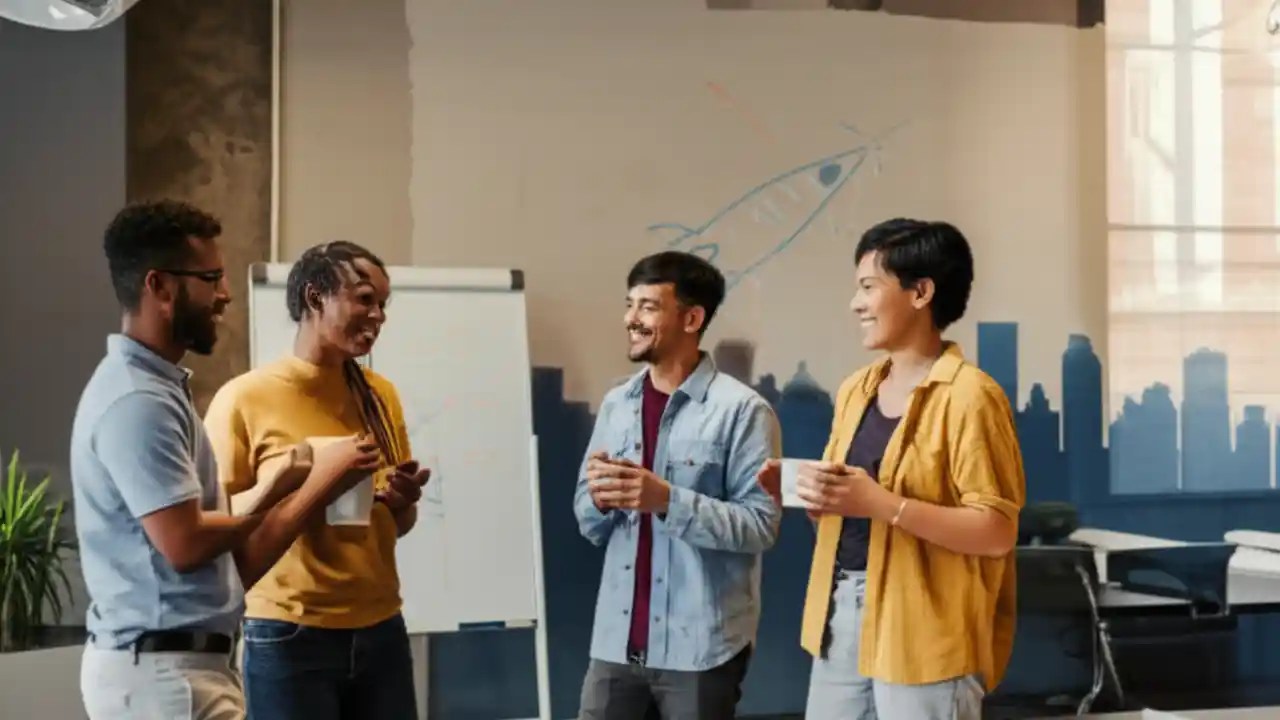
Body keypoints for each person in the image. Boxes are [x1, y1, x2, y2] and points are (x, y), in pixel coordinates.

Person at [70, 199, 310, 719]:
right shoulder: (137, 402)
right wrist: (272, 487)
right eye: (211, 278)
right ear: (159, 286)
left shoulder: (159, 388)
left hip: (181, 670)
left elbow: (210, 549)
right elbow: (184, 543)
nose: (224, 295)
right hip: (163, 679)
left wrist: (302, 493)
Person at [794, 218, 1026, 720]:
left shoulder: (971, 396)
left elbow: (996, 531)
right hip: (842, 615)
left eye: (868, 287)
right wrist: (809, 496)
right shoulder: (856, 388)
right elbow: (842, 514)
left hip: (927, 627)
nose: (855, 304)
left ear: (921, 292)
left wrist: (883, 504)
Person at [203, 240, 430, 720]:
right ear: (314, 297)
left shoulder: (378, 394)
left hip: (381, 627)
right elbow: (219, 524)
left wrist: (401, 502)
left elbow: (397, 524)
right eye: (365, 299)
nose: (378, 316)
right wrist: (311, 481)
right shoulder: (244, 399)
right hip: (288, 634)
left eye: (383, 305)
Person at [573, 251, 783, 720]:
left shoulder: (742, 411)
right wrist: (599, 501)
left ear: (692, 318)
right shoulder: (616, 405)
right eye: (630, 305)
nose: (631, 319)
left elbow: (761, 526)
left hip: (701, 649)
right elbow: (587, 520)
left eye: (648, 307)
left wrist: (667, 501)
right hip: (615, 642)